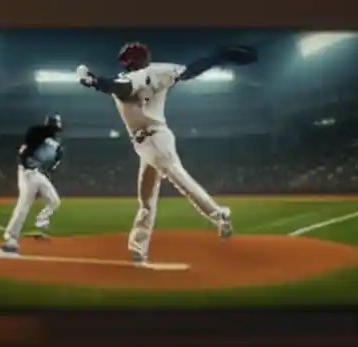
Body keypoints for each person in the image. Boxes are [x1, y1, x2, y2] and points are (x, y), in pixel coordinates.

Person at [77, 42, 253, 264]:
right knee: (147, 200)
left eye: (128, 61)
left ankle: (220, 214)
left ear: (133, 60)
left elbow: (118, 87)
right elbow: (190, 70)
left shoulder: (139, 75)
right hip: (146, 144)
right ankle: (138, 249)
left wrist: (93, 81)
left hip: (155, 138)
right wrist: (218, 58)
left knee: (177, 176)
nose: (128, 65)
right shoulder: (160, 70)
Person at [0, 113, 65, 254]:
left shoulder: (55, 144)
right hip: (26, 173)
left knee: (54, 201)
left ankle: (41, 221)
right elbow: (23, 153)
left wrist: (50, 168)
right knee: (24, 205)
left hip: (37, 173)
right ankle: (10, 239)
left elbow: (53, 162)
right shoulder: (36, 132)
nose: (56, 132)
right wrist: (25, 163)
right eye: (54, 128)